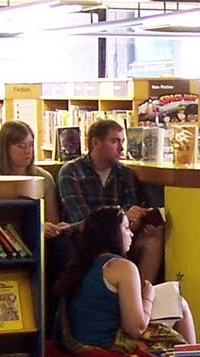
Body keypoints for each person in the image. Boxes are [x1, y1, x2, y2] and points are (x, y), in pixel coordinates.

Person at [54, 207, 194, 353]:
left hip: (79, 343)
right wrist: (148, 296)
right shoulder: (122, 267)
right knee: (180, 304)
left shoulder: (81, 264)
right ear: (112, 234)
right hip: (108, 347)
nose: (131, 233)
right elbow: (136, 328)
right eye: (126, 228)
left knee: (177, 303)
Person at [57, 118, 164, 281]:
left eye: (122, 142)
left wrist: (139, 220)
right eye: (114, 141)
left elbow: (131, 218)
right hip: (85, 238)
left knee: (154, 238)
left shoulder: (127, 174)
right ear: (96, 143)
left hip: (122, 236)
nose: (121, 148)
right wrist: (122, 219)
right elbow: (84, 221)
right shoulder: (71, 171)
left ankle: (141, 297)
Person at [0, 120, 64, 239]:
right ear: (5, 148)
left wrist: (44, 227)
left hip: (39, 239)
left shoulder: (44, 178)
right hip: (4, 238)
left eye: (30, 145)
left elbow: (53, 221)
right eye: (21, 146)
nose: (27, 151)